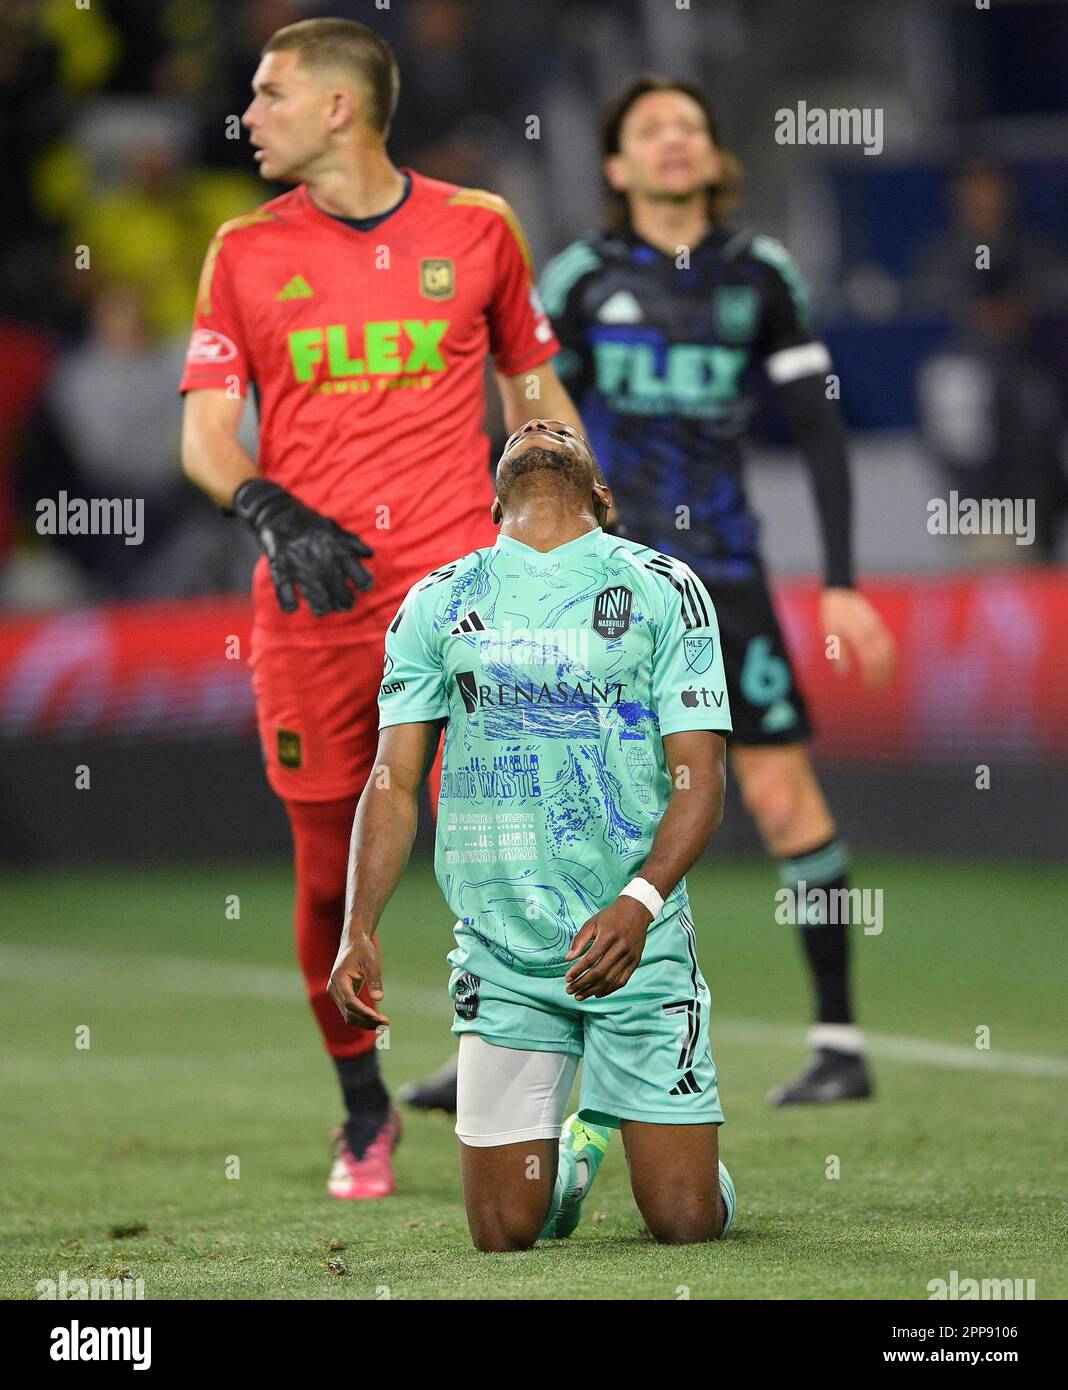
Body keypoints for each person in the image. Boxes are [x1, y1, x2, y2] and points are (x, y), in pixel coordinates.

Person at [179, 17, 582, 1199]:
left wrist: (574, 531)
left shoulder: (481, 228)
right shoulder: (243, 251)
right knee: (325, 877)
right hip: (315, 609)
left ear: (340, 107)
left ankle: (512, 1077)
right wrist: (265, 504)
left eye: (268, 93)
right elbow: (204, 430)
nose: (246, 114)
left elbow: (533, 389)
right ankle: (364, 1110)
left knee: (498, 844)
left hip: (462, 595)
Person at [537, 76, 898, 1107]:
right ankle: (522, 1028)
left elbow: (820, 428)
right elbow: (530, 415)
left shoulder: (760, 271)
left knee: (783, 798)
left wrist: (839, 583)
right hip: (609, 584)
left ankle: (839, 1042)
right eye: (649, 129)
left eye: (689, 125)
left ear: (711, 153)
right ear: (616, 167)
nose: (673, 141)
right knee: (576, 810)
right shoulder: (582, 276)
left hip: (727, 583)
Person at [329, 418, 736, 1249]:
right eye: (522, 431)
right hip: (502, 953)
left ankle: (686, 1161)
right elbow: (393, 781)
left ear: (603, 497)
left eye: (560, 432)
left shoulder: (665, 587)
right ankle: (574, 1159)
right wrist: (357, 924)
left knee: (685, 1222)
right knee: (504, 1231)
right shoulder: (439, 599)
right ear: (493, 502)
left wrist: (641, 902)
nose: (542, 426)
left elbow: (702, 778)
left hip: (636, 941)